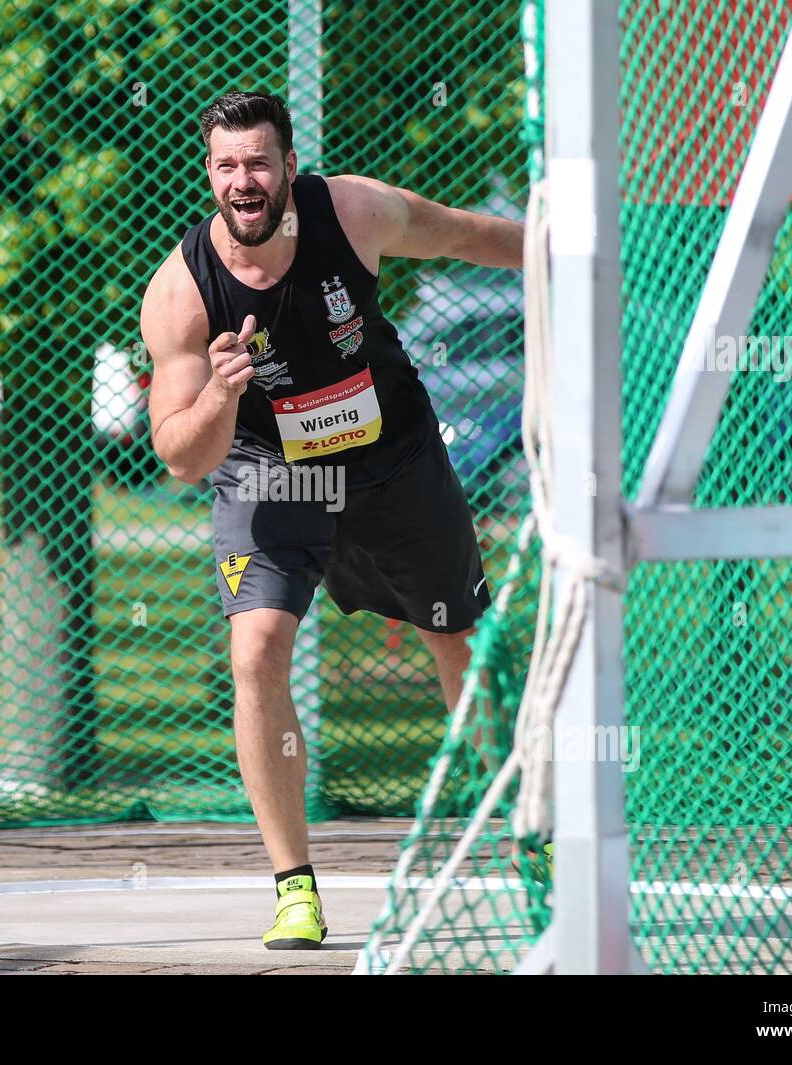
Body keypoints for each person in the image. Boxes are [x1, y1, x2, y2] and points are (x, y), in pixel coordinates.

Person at [139, 90, 524, 949]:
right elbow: (179, 457)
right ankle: (294, 888)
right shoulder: (181, 295)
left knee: (461, 639)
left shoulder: (350, 211)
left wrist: (566, 259)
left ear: (288, 167)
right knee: (256, 650)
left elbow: (466, 233)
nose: (245, 180)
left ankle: (527, 836)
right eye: (228, 165)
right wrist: (222, 393)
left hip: (393, 462)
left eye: (259, 163)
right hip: (272, 475)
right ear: (210, 174)